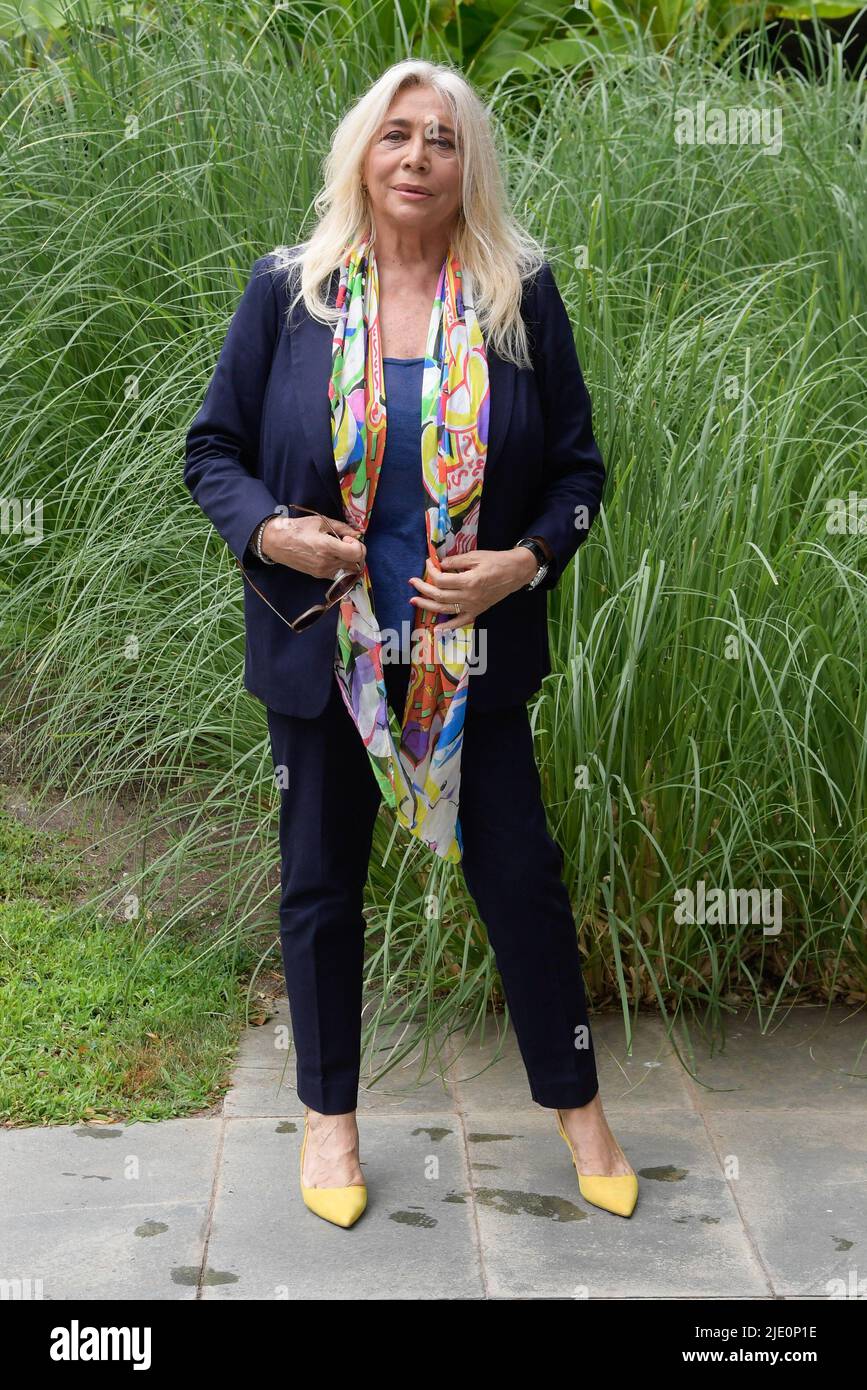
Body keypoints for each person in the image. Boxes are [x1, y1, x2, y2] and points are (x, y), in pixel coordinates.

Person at [184, 58, 638, 1228]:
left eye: (442, 138)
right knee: (322, 884)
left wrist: (521, 562)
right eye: (397, 135)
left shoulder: (516, 297)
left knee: (521, 879)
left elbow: (581, 471)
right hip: (323, 650)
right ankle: (329, 1124)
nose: (418, 157)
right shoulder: (291, 293)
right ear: (362, 155)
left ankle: (581, 1110)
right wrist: (276, 533)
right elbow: (212, 455)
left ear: (466, 165)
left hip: (464, 656)